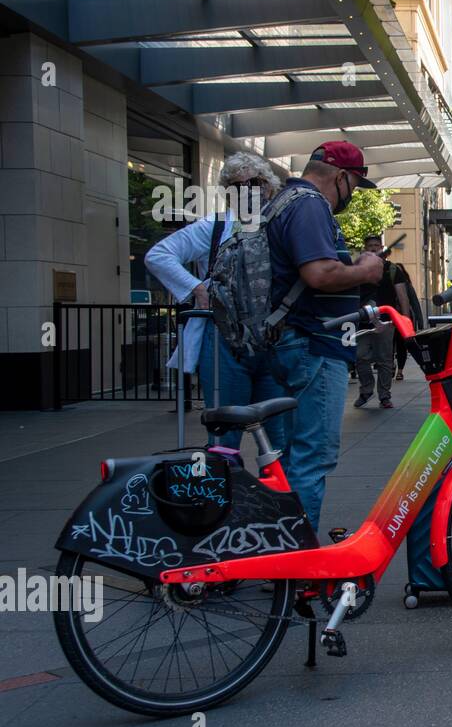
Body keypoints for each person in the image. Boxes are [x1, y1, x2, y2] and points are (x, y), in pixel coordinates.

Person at [266, 142, 383, 532]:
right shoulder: (310, 204)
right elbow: (319, 275)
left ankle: (277, 557)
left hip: (286, 343)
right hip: (312, 345)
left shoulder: (282, 201)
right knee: (311, 457)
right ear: (341, 176)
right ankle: (296, 567)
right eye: (355, 185)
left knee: (284, 457)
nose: (351, 195)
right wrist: (366, 270)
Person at [145, 152, 283, 449]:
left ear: (268, 186)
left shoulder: (281, 224)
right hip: (223, 341)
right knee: (224, 435)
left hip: (275, 341)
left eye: (254, 182)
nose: (247, 189)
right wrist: (198, 289)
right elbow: (158, 255)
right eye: (237, 184)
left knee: (280, 438)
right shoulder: (215, 226)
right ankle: (223, 493)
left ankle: (274, 494)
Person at [354, 234, 411, 408]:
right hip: (362, 322)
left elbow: (402, 296)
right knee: (359, 357)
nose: (373, 248)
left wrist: (405, 320)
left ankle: (384, 396)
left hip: (386, 321)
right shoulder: (357, 269)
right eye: (370, 245)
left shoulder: (392, 270)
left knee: (385, 359)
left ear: (383, 249)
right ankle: (366, 390)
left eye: (376, 246)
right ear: (365, 249)